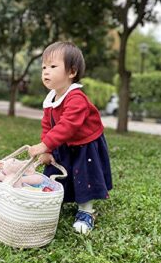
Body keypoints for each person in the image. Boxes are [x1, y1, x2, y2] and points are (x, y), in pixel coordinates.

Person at [28, 41, 112, 234]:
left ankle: (86, 211)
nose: (46, 72)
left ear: (71, 72)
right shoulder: (51, 99)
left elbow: (68, 125)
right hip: (65, 143)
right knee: (57, 171)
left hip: (84, 144)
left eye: (53, 66)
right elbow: (47, 125)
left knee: (84, 176)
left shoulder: (76, 98)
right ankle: (53, 200)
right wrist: (48, 150)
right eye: (43, 67)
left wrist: (44, 145)